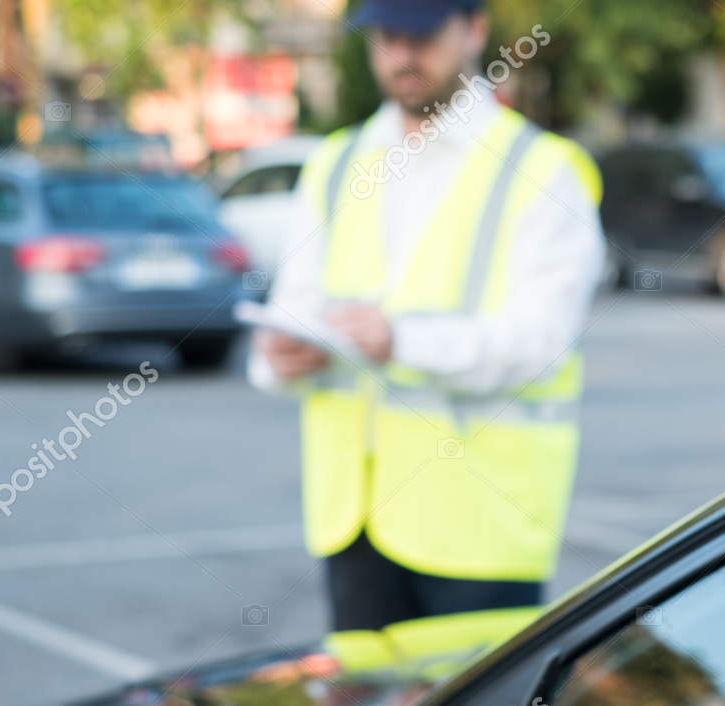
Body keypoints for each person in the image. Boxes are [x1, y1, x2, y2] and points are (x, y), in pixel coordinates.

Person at [250, 0, 603, 634]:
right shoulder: (335, 163)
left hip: (481, 531)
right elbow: (293, 310)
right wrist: (277, 360)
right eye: (387, 36)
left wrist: (398, 340)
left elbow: (541, 342)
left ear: (474, 30)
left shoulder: (543, 170)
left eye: (421, 34)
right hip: (352, 525)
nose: (402, 54)